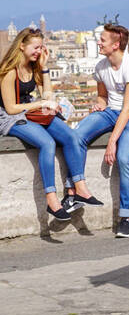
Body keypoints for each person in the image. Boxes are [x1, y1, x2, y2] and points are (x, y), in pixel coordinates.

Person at [0, 28, 101, 222]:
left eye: (41, 47)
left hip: (30, 112)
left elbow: (47, 95)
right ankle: (51, 198)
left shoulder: (33, 66)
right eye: (35, 47)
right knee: (47, 143)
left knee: (72, 136)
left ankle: (78, 187)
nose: (39, 51)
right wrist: (42, 104)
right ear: (21, 45)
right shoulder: (8, 71)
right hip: (9, 117)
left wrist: (44, 68)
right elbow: (11, 108)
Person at [66, 23, 129, 238]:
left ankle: (125, 218)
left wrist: (113, 140)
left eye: (103, 40)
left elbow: (128, 108)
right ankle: (73, 191)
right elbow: (102, 96)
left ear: (116, 44)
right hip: (111, 112)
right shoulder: (101, 66)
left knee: (124, 159)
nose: (99, 43)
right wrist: (99, 103)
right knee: (75, 136)